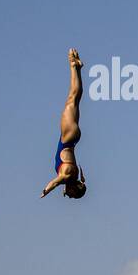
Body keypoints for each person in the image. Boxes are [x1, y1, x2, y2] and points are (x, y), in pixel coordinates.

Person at [41, 49, 87, 198]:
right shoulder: (67, 175)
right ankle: (73, 66)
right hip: (68, 137)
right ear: (74, 188)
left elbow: (65, 183)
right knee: (72, 99)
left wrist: (66, 187)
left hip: (72, 138)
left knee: (74, 100)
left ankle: (77, 68)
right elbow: (55, 182)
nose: (68, 195)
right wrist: (45, 191)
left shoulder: (72, 176)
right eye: (71, 195)